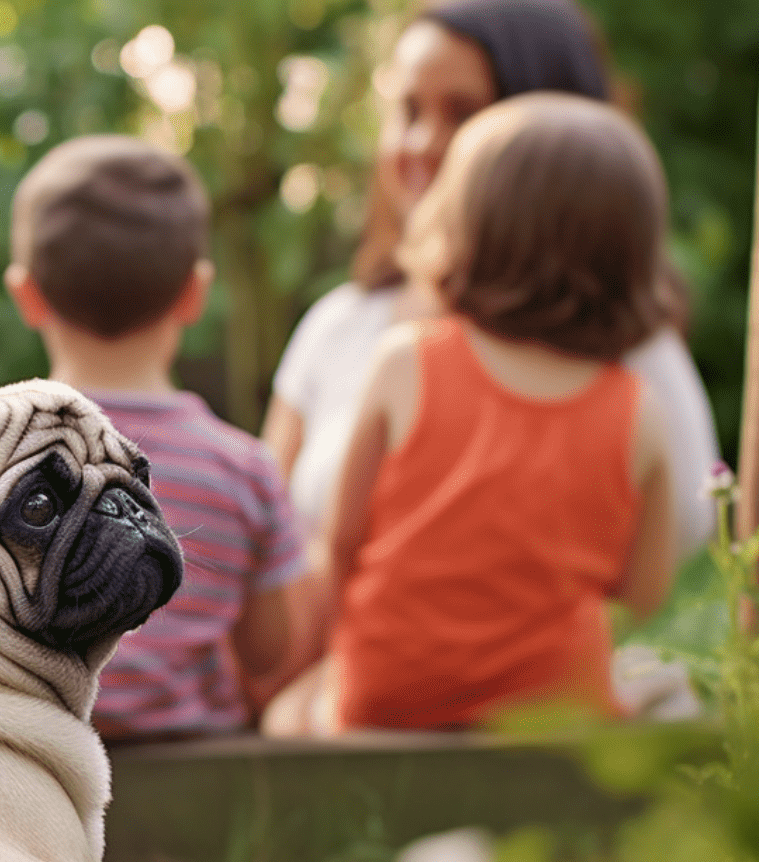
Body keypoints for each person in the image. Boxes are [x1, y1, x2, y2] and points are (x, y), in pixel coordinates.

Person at [265, 93, 675, 735]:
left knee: (284, 719)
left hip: (385, 698)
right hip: (556, 710)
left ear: (465, 231)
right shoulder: (640, 410)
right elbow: (645, 595)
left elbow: (337, 545)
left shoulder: (407, 362)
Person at [260, 0, 718, 564]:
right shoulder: (341, 323)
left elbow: (676, 551)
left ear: (556, 136)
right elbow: (266, 556)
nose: (423, 143)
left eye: (463, 112)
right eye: (408, 110)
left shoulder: (627, 350)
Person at [5, 135, 315, 741]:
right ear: (195, 292)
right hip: (200, 793)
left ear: (27, 295)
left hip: (30, 778)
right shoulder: (242, 467)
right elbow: (272, 654)